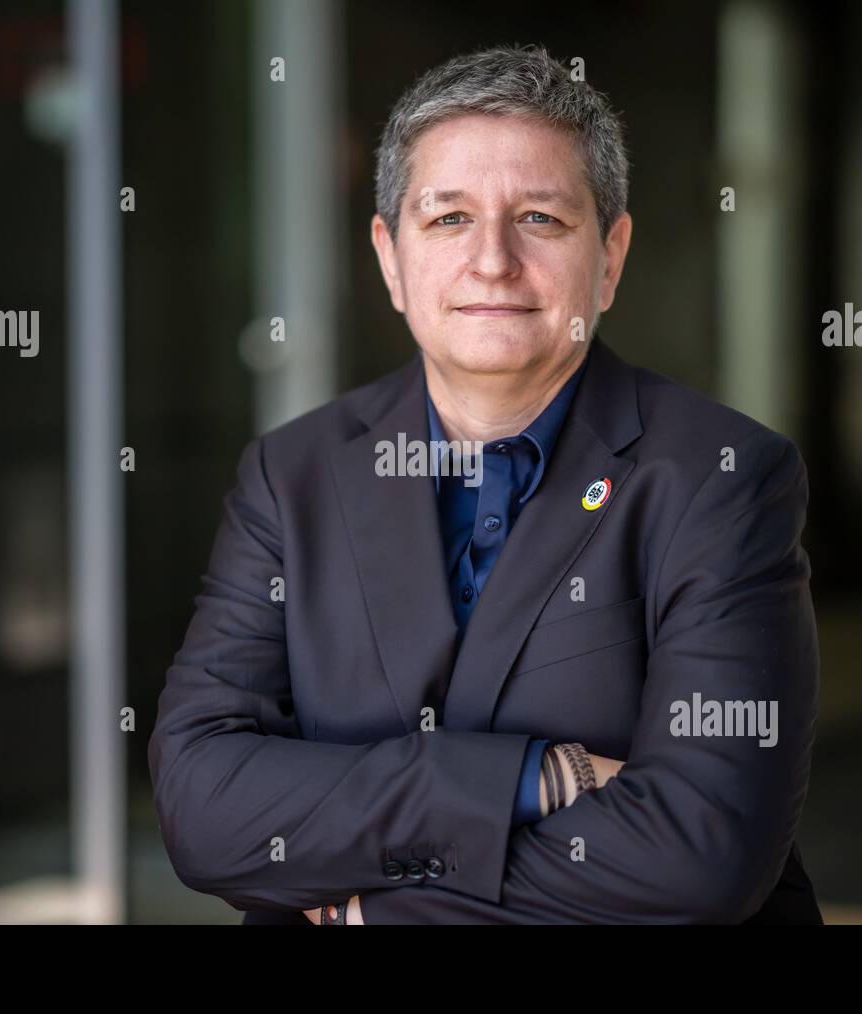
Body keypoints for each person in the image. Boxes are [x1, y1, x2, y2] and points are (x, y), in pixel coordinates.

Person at [148, 43, 821, 924]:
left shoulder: (723, 480)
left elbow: (703, 856)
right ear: (391, 258)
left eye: (539, 218)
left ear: (610, 258)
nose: (493, 261)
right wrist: (533, 776)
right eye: (449, 219)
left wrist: (370, 906)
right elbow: (205, 810)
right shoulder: (291, 476)